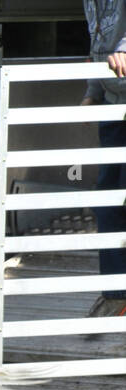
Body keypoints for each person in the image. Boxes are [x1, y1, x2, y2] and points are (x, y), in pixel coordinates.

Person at [84, 1, 126, 317]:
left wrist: (124, 48)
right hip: (114, 103)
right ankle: (116, 296)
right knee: (108, 196)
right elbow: (97, 43)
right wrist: (93, 90)